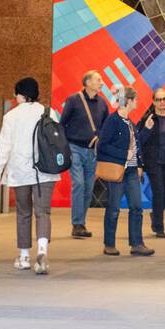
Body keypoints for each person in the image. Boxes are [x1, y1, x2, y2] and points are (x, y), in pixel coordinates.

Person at [0, 77, 54, 274]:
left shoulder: (11, 117)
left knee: (24, 213)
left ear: (21, 94)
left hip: (20, 171)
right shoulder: (49, 112)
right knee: (43, 212)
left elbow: (4, 147)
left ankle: (24, 256)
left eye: (16, 93)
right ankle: (42, 250)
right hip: (45, 170)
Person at [95, 87, 154, 257]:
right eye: (135, 99)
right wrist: (122, 154)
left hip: (132, 171)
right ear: (127, 101)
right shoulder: (112, 121)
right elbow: (103, 146)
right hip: (118, 171)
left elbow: (136, 146)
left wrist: (147, 130)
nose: (137, 102)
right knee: (113, 208)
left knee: (136, 207)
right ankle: (109, 244)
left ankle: (137, 244)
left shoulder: (131, 124)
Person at [60, 70, 110, 239]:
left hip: (92, 152)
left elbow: (105, 126)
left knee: (88, 188)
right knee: (79, 184)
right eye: (99, 80)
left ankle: (81, 222)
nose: (102, 82)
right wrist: (64, 147)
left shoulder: (103, 103)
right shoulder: (74, 100)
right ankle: (77, 224)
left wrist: (100, 139)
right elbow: (62, 124)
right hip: (74, 148)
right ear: (88, 82)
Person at [139, 87, 165, 238]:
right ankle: (159, 227)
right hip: (153, 162)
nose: (162, 102)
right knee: (158, 192)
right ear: (153, 101)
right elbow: (139, 141)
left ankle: (155, 214)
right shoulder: (148, 119)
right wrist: (140, 165)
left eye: (164, 99)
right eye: (158, 100)